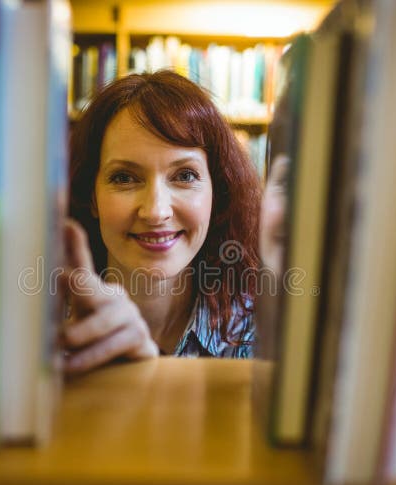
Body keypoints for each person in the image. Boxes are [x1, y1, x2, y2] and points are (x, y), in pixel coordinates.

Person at [60, 69, 262, 374]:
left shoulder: (263, 335)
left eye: (184, 176)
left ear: (216, 191)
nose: (155, 212)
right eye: (125, 178)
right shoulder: (42, 336)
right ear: (91, 196)